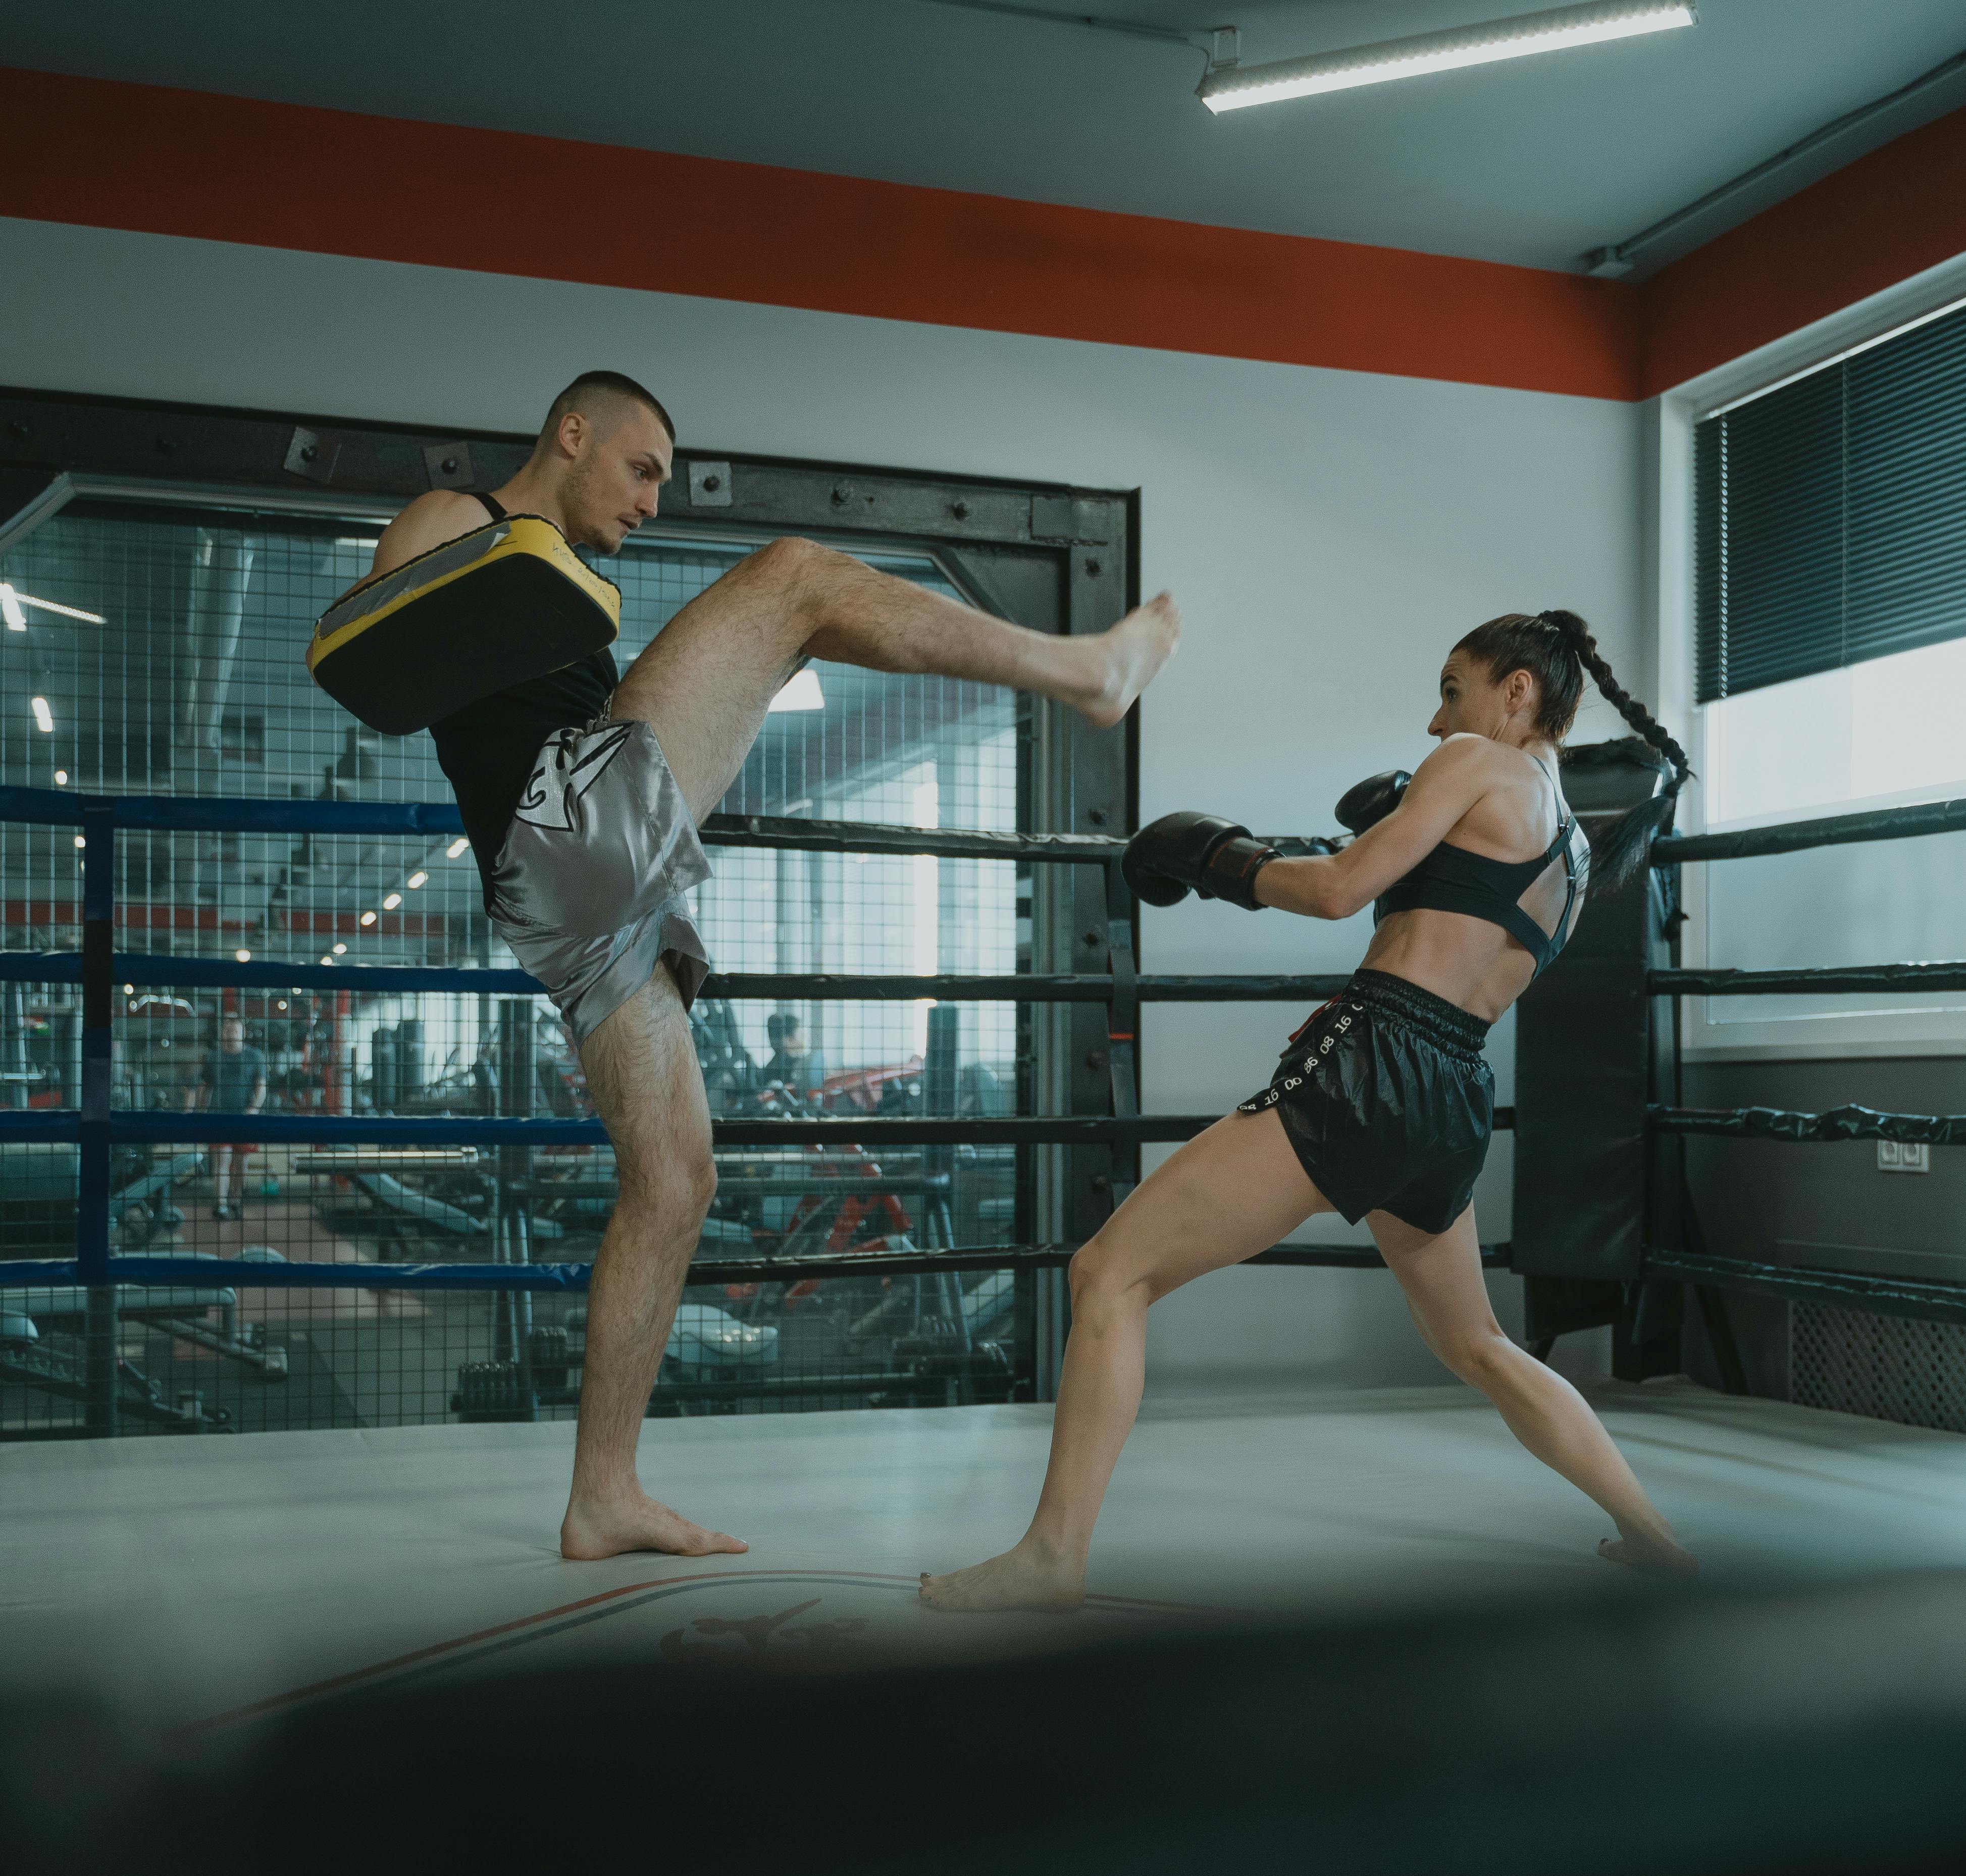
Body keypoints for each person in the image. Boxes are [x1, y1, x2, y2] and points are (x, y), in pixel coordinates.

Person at [370, 369, 1180, 1560]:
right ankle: (1085, 673)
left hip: (590, 893)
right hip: (562, 829)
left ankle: (604, 1492)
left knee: (677, 1180)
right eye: (641, 467)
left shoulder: (558, 578)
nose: (652, 498)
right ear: (572, 432)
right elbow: (374, 657)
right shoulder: (463, 520)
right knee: (794, 575)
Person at [921, 608, 1696, 1611]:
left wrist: (1220, 859)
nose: (1435, 721)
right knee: (1478, 1343)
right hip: (1455, 1090)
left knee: (1109, 1272)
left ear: (1517, 692)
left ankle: (1051, 1558)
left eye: (1452, 691)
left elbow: (1337, 891)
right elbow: (1442, 924)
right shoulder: (1578, 853)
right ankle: (1654, 1535)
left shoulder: (1474, 762)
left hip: (1370, 1067)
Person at [188, 1011, 266, 1222]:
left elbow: (261, 1086)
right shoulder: (213, 1056)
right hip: (219, 1117)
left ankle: (236, 1200)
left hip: (244, 1119)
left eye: (236, 1029)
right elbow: (205, 1086)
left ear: (243, 1032)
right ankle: (221, 1205)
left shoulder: (255, 1056)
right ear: (222, 1032)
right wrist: (201, 1112)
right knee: (222, 1161)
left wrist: (254, 1109)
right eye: (228, 1029)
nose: (232, 1032)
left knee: (241, 1163)